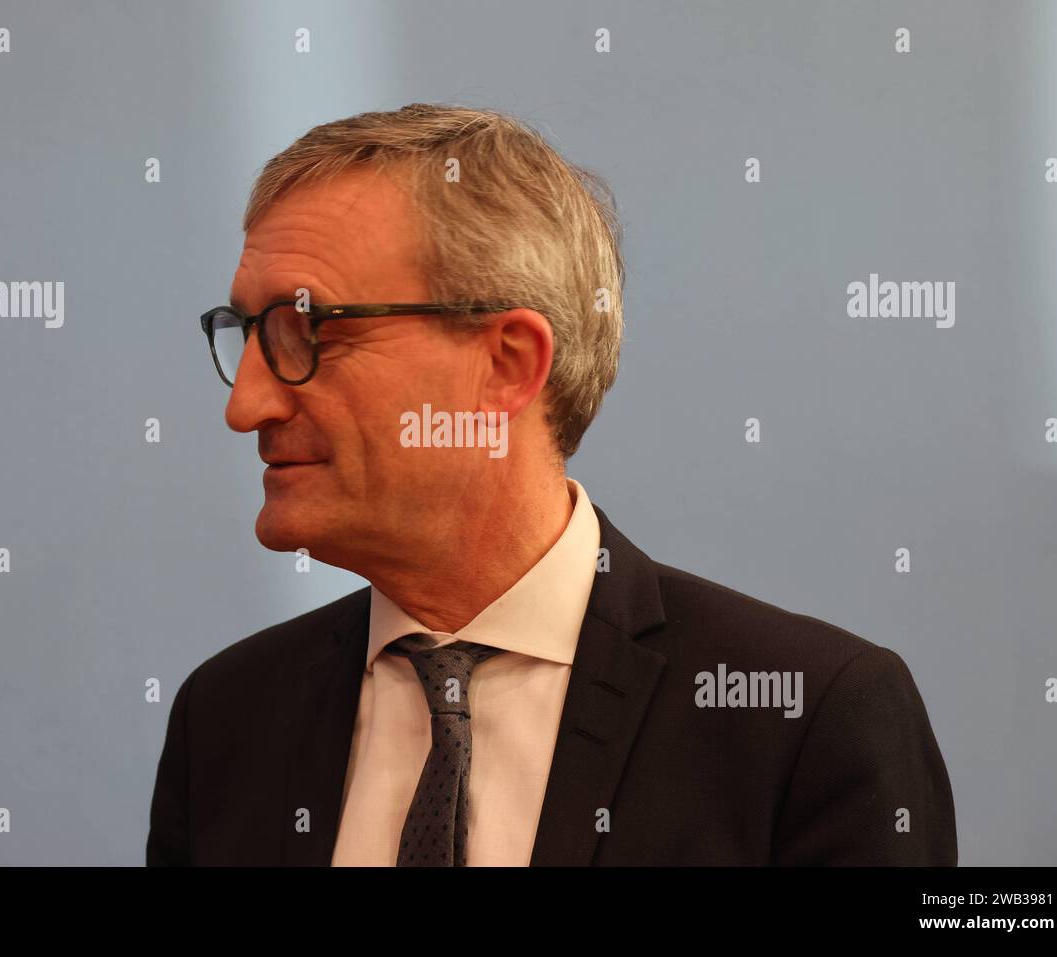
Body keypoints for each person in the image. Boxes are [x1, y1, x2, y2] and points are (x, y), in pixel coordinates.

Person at [147, 103, 957, 866]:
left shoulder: (801, 719)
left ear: (507, 364)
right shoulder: (227, 718)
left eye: (303, 332)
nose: (245, 402)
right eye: (247, 334)